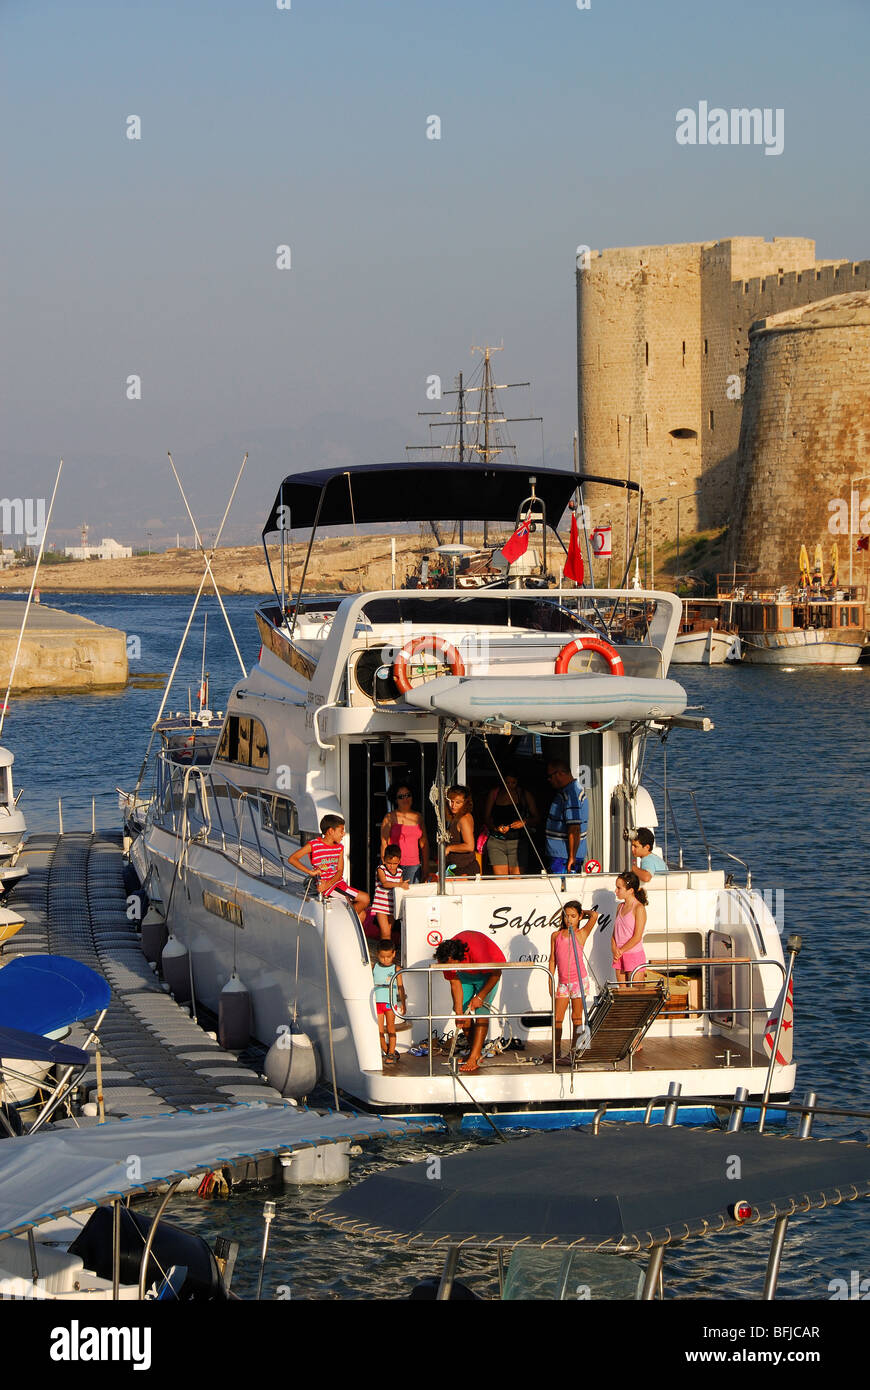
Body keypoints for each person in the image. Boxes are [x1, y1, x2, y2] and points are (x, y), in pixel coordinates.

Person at [433, 930, 506, 1073]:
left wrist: (480, 997)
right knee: (463, 1014)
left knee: (481, 1012)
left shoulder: (478, 953)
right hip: (464, 975)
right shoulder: (445, 959)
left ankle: (474, 1056)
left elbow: (497, 973)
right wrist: (459, 1013)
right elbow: (454, 983)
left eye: (449, 964)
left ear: (455, 959)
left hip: (488, 974)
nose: (446, 966)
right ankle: (475, 1052)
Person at [287, 814, 371, 925]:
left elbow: (340, 870)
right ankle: (344, 924)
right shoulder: (314, 845)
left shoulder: (339, 847)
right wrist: (310, 872)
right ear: (331, 831)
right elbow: (292, 859)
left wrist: (329, 884)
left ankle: (343, 925)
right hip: (326, 887)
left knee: (362, 915)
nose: (343, 834)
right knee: (365, 899)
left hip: (335, 884)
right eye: (341, 831)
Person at [548, 900, 598, 1059]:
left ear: (579, 917)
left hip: (578, 983)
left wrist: (584, 912)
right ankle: (556, 1051)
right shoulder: (556, 935)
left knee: (576, 1017)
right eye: (566, 916)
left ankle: (573, 1052)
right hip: (562, 983)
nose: (569, 919)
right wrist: (551, 980)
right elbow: (552, 960)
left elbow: (595, 915)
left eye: (573, 916)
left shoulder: (581, 933)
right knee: (557, 1018)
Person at [483, 767, 539, 877]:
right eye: (506, 782)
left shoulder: (524, 794)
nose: (509, 786)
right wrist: (495, 828)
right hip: (496, 841)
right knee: (501, 881)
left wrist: (524, 822)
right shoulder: (495, 793)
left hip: (518, 842)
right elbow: (486, 818)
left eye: (513, 783)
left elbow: (537, 818)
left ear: (517, 782)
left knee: (517, 880)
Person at [380, 783, 429, 884]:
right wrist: (386, 867)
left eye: (408, 795)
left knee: (412, 896)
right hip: (394, 865)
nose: (405, 799)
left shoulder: (418, 817)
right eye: (401, 796)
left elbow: (424, 844)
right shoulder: (389, 817)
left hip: (414, 866)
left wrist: (425, 868)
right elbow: (384, 843)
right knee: (395, 897)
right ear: (395, 799)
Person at [545, 761, 588, 873]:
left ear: (560, 774)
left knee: (562, 888)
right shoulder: (569, 791)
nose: (549, 779)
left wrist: (572, 857)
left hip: (564, 858)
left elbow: (574, 828)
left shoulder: (571, 794)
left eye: (550, 776)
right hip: (561, 856)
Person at [372, 940, 406, 1065]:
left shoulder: (396, 968)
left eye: (388, 957)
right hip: (377, 1003)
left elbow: (401, 987)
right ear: (377, 954)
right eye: (382, 957)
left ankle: (391, 1052)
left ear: (393, 954)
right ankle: (387, 1051)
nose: (385, 960)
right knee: (379, 1029)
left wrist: (403, 1003)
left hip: (390, 1003)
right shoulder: (374, 967)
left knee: (391, 1027)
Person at [611, 871, 648, 983]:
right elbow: (614, 934)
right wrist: (614, 950)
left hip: (633, 955)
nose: (615, 891)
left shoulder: (639, 908)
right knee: (623, 995)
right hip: (619, 955)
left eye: (619, 888)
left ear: (630, 890)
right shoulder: (620, 907)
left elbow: (637, 937)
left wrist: (621, 950)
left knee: (635, 994)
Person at [372, 844, 409, 940]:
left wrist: (403, 886)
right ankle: (385, 953)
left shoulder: (400, 872)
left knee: (388, 931)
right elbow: (384, 883)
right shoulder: (381, 869)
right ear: (384, 859)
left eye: (395, 863)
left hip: (393, 906)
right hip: (381, 905)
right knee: (385, 933)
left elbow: (400, 889)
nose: (392, 866)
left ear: (399, 861)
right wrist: (400, 885)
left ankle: (386, 951)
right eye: (389, 863)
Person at [444, 785, 477, 877]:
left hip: (464, 868)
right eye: (451, 801)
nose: (453, 805)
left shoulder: (464, 819)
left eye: (458, 803)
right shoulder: (457, 817)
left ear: (466, 803)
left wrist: (448, 848)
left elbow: (470, 846)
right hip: (456, 867)